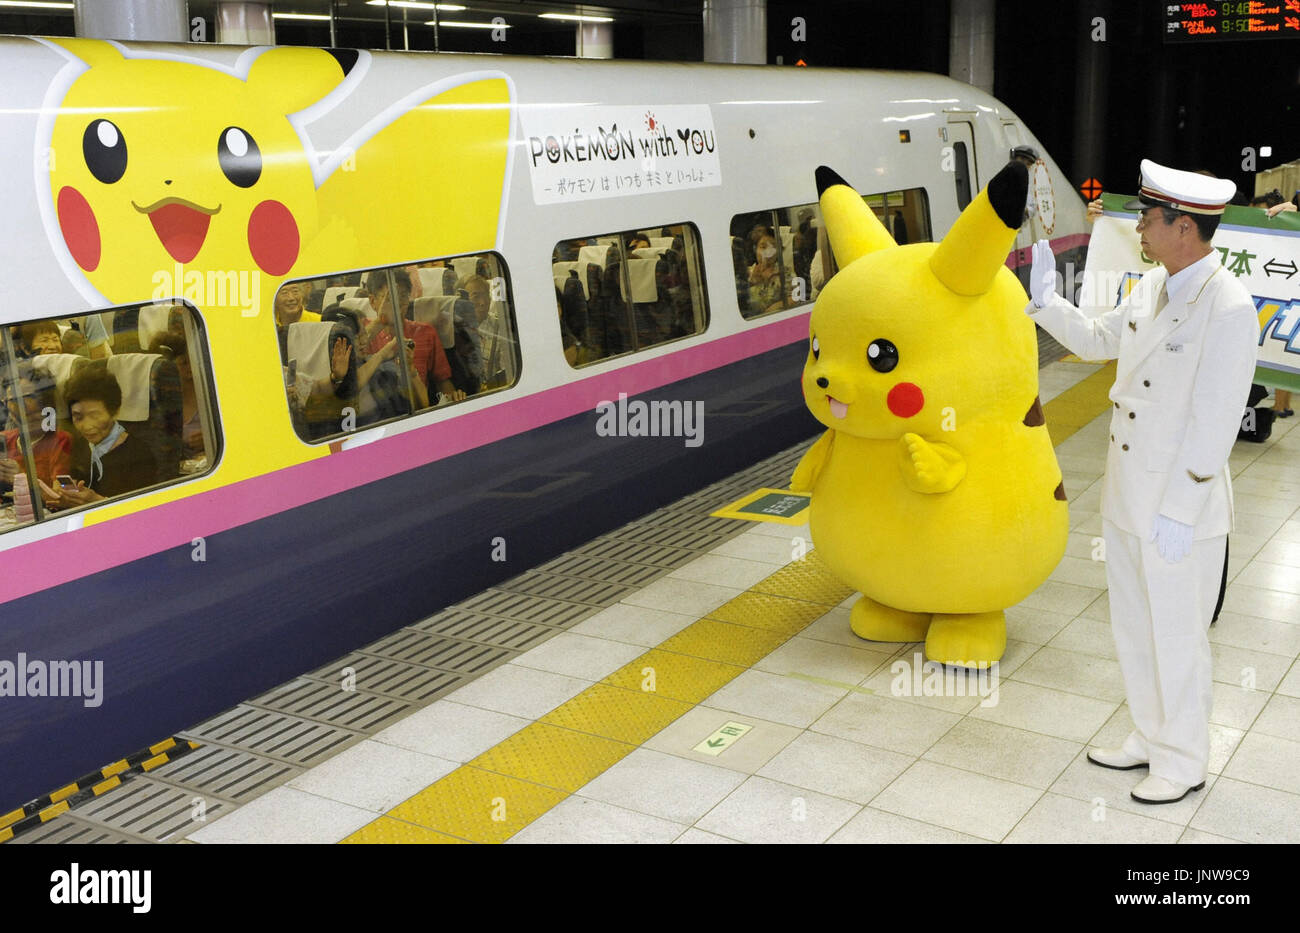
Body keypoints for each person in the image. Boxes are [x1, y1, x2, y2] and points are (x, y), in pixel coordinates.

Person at [1026, 160, 1258, 804]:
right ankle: (1149, 735)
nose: (1140, 231)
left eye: (1149, 220)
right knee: (1134, 624)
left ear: (1185, 226)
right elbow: (1102, 340)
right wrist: (1048, 305)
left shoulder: (1228, 306)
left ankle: (1183, 760)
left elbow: (1216, 421)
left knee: (1179, 635)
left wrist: (1181, 510)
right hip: (1129, 493)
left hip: (1179, 509)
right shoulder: (1153, 287)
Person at [49, 364, 157, 505]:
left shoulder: (139, 454)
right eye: (78, 417)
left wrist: (97, 502)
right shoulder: (81, 445)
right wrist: (64, 491)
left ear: (114, 411)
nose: (87, 426)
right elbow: (75, 482)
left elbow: (145, 510)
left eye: (94, 415)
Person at [0, 362, 72, 507]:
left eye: (29, 397)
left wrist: (22, 478)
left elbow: (63, 499)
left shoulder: (60, 441)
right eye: (12, 400)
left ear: (46, 401)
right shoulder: (4, 439)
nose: (20, 407)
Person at [147, 332, 204, 461]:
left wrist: (211, 439)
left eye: (192, 361)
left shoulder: (208, 393)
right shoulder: (153, 400)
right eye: (184, 363)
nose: (191, 368)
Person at [748, 231, 788, 314]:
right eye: (763, 247)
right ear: (755, 249)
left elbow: (796, 298)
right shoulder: (746, 273)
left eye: (772, 247)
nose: (767, 252)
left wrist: (773, 309)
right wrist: (750, 283)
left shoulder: (785, 272)